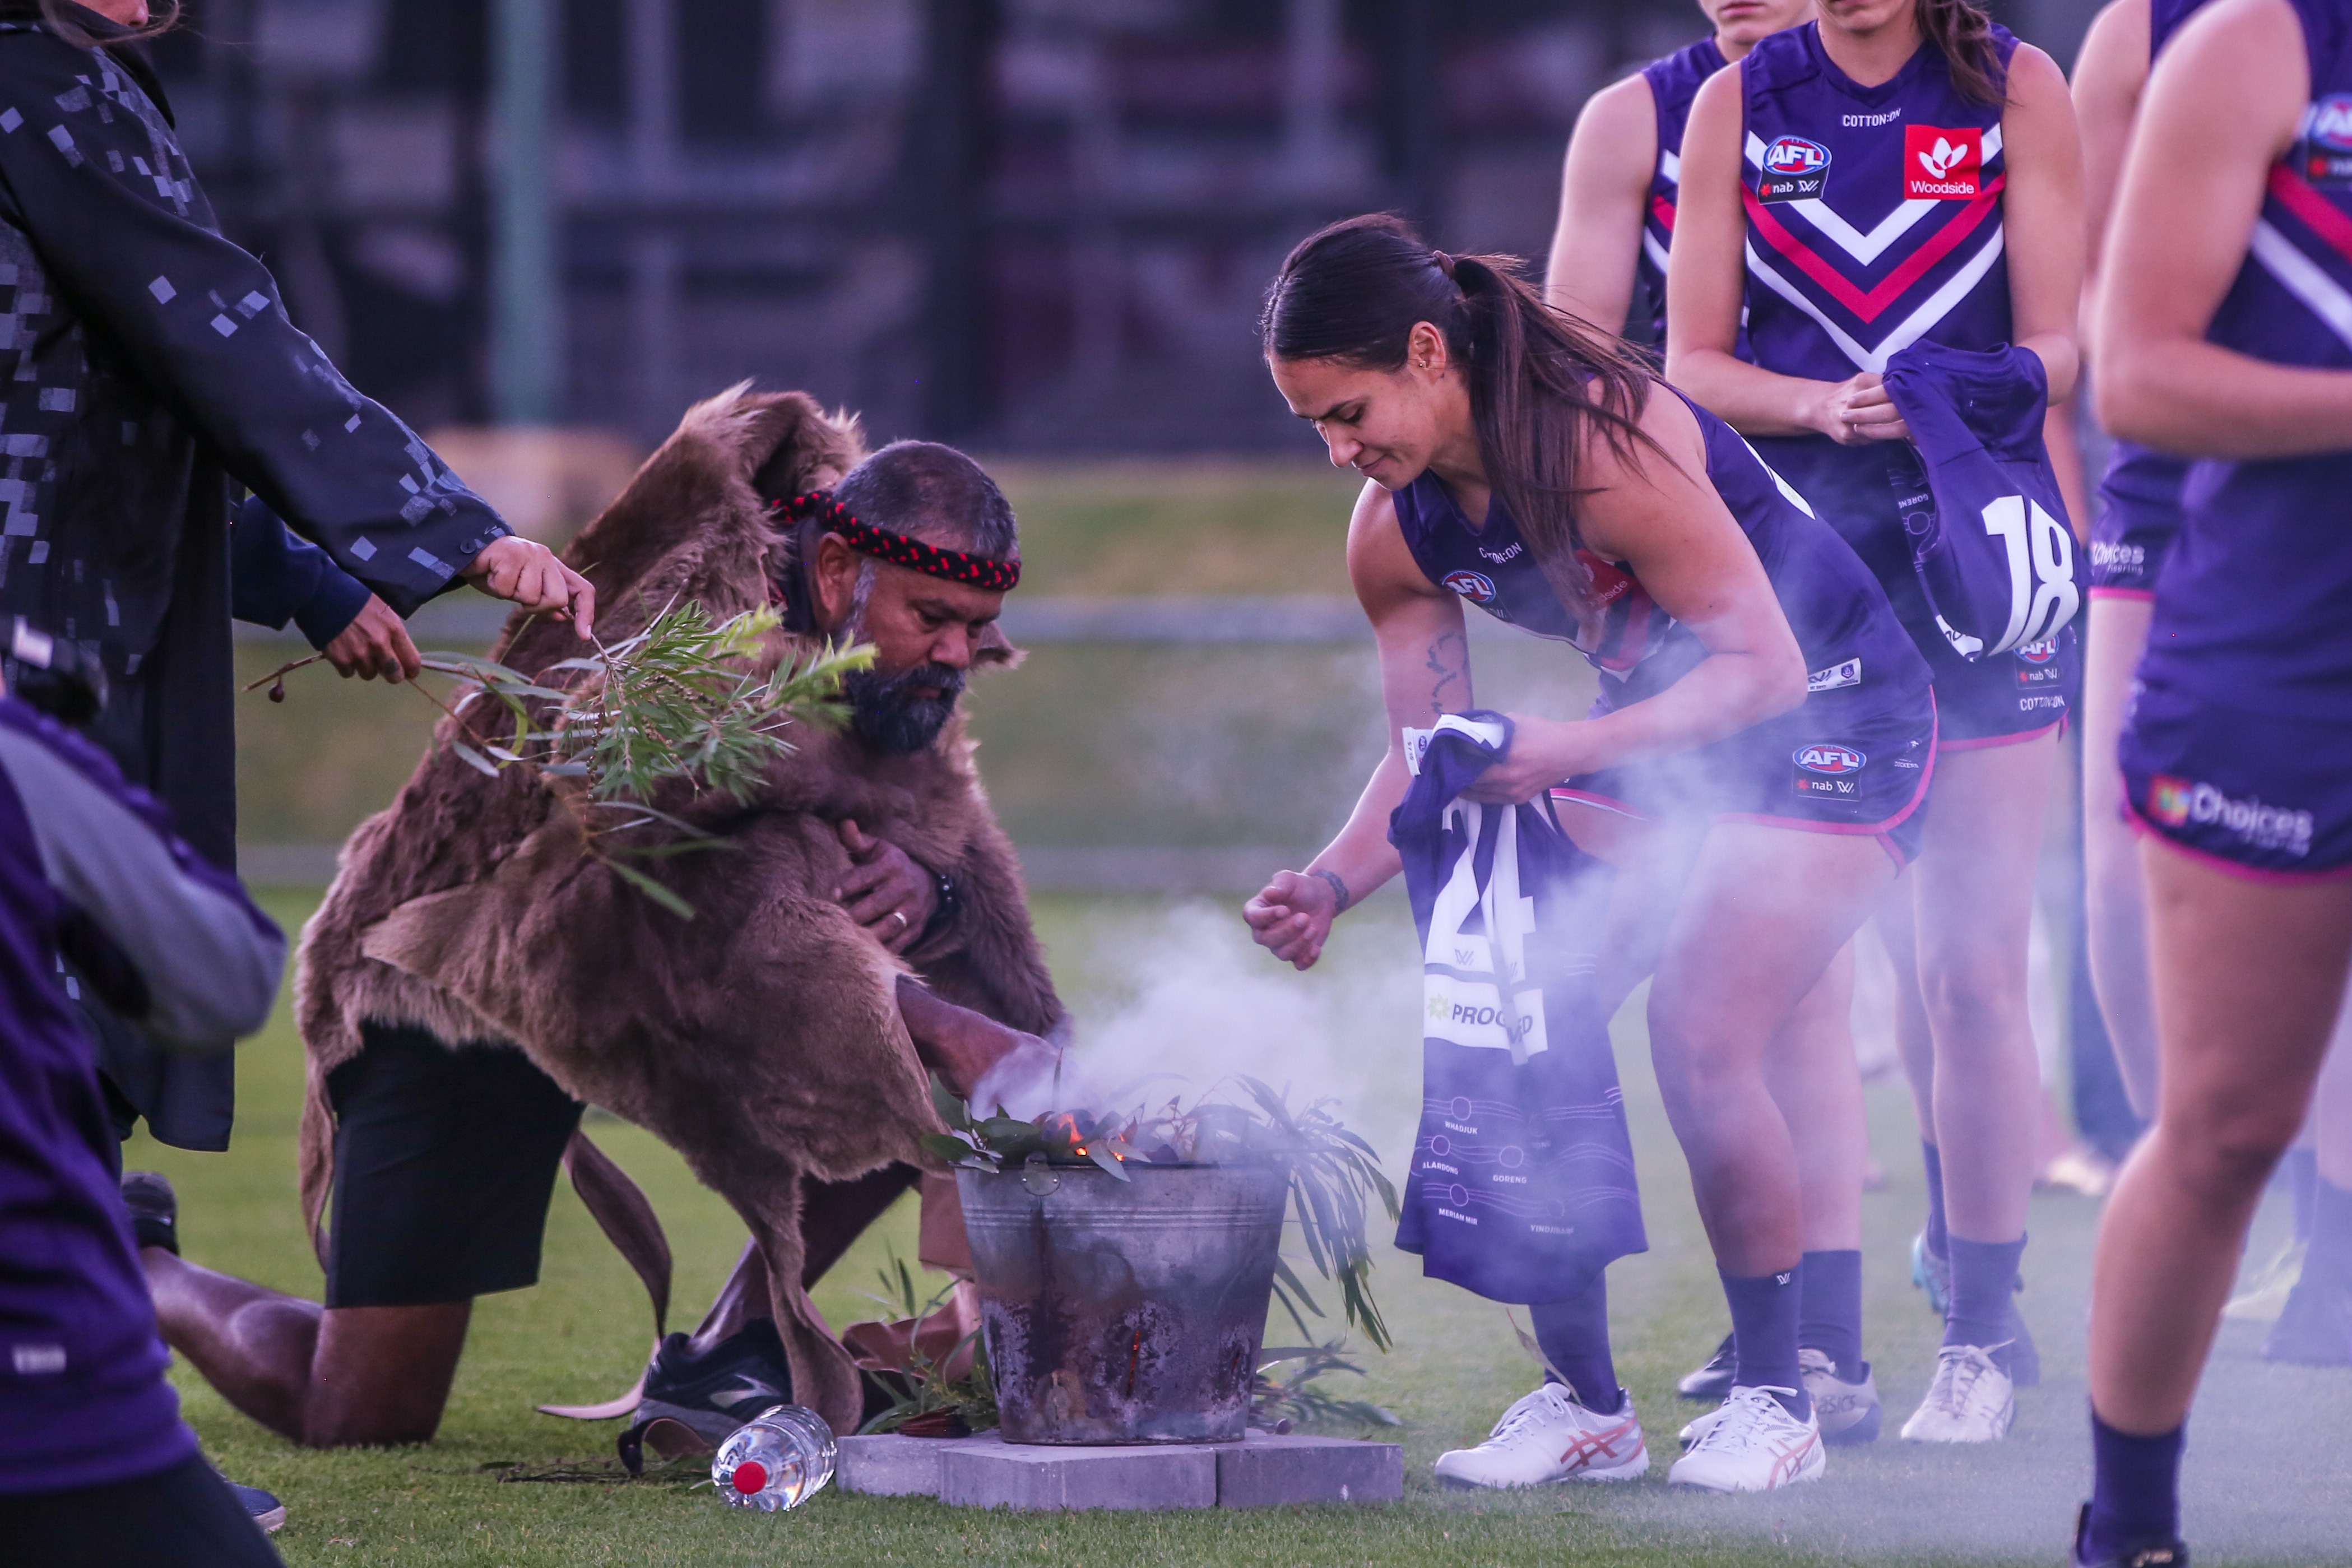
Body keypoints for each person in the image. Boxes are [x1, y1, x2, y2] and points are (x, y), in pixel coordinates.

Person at [141, 393, 1069, 1449]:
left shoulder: (888, 656)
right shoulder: (682, 600)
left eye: (976, 630)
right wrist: (933, 1021)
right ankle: (137, 1263)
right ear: (840, 575)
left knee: (978, 1027)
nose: (956, 654)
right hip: (467, 958)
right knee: (357, 1409)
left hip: (658, 984)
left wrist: (934, 894)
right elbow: (654, 849)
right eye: (932, 619)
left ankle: (734, 1347)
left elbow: (951, 848)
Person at [1246, 215, 1936, 1492]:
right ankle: (1587, 1402)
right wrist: (1330, 880)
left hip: (1842, 713)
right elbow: (1425, 753)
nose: (1341, 450)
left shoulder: (1596, 441)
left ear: (1423, 351)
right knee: (1520, 997)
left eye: (1348, 410)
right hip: (1666, 730)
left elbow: (1766, 666)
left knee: (1698, 1024)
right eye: (1315, 428)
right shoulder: (1391, 530)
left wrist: (1563, 748)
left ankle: (1774, 1400)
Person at [0, 0, 590, 1161]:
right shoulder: (42, 87)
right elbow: (220, 336)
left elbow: (104, 385)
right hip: (43, 642)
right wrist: (447, 526)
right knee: (61, 1014)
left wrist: (314, 581)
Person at [1667, 0, 2086, 1442]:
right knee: (1787, 981)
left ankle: (1980, 1334)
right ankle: (1824, 1346)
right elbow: (1691, 365)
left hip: (1970, 567)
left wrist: (1948, 393)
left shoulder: (2016, 84)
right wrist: (1824, 407)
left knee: (1968, 974)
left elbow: (2063, 350)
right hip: (1804, 589)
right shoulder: (1737, 100)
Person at [1549, 0, 1898, 1433]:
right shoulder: (1636, 116)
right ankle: (1812, 1337)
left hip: (1867, 565)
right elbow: (1565, 357)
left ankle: (1843, 1335)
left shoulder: (1933, 89)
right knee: (1762, 988)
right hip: (1680, 579)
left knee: (1855, 974)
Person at [2078, 0, 2352, 1556]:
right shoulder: (2254, 47)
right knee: (2225, 1125)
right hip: (2277, 659)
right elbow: (2140, 378)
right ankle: (2125, 1530)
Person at [0, 675, 286, 1565]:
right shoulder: (17, 759)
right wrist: (72, 763)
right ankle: (138, 1253)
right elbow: (218, 977)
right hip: (41, 1386)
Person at [1546, 0, 1814, 345]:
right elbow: (1574, 354)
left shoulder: (1904, 90)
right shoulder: (1630, 116)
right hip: (1700, 398)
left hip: (1892, 393)